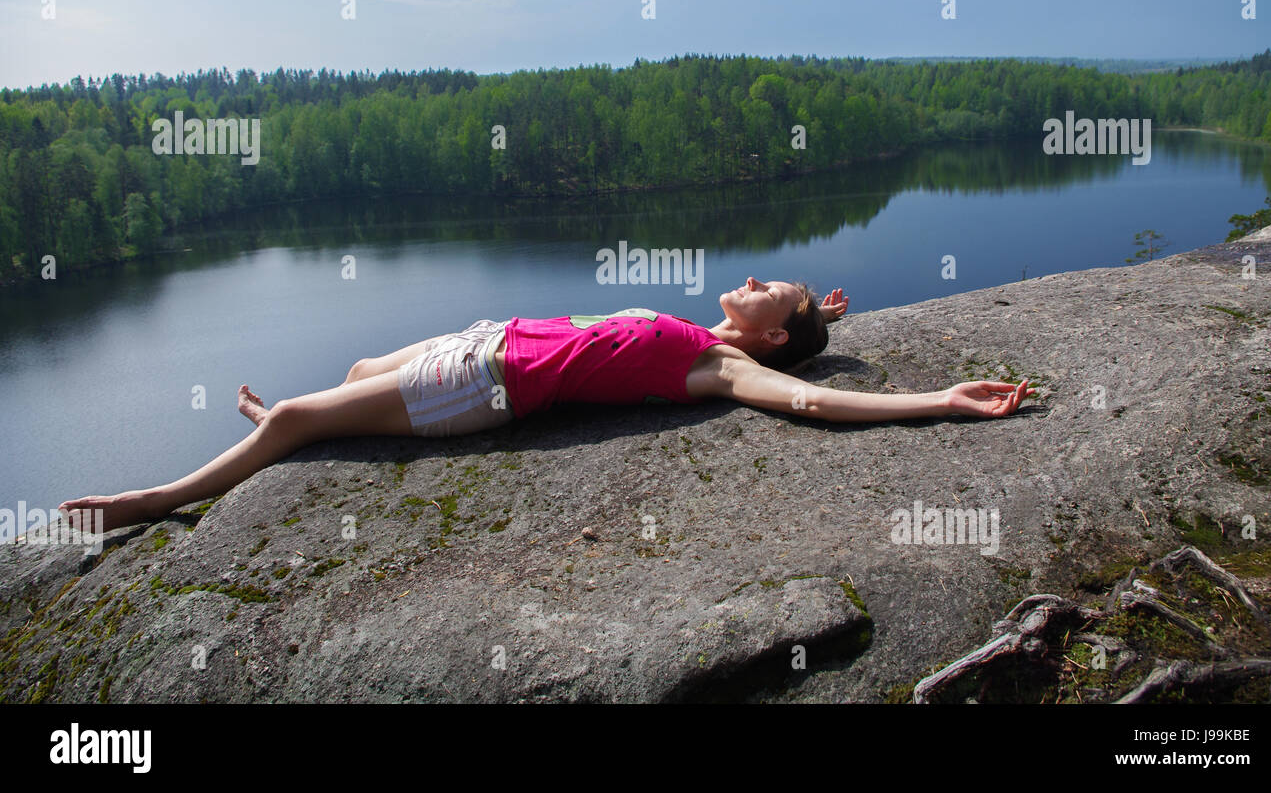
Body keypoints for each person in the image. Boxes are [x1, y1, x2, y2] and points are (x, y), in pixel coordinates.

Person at [59, 277, 1033, 532]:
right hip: (479, 338)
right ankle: (305, 418)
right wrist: (814, 314)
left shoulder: (720, 368)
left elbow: (809, 404)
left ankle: (157, 499)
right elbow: (784, 339)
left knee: (290, 423)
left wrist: (938, 398)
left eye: (767, 288)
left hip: (482, 385)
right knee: (355, 366)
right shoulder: (726, 332)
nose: (746, 276)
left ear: (769, 339)